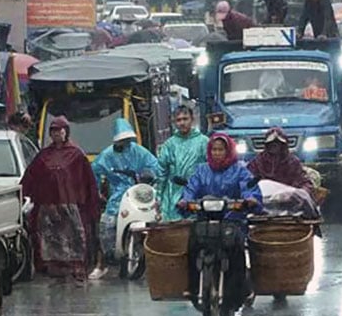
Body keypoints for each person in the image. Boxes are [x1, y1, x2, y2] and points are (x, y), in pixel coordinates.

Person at [179, 133, 260, 304]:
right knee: (192, 246)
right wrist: (185, 201)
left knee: (237, 250)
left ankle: (242, 289)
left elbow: (248, 188)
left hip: (233, 220)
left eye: (221, 149)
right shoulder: (201, 170)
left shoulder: (240, 170)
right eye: (214, 149)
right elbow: (191, 188)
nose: (217, 153)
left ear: (228, 150)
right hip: (204, 220)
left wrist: (249, 199)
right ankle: (192, 287)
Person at [21, 117, 101, 281]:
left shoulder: (76, 154)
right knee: (50, 237)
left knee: (74, 236)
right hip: (48, 206)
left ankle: (75, 266)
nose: (57, 134)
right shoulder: (44, 155)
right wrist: (21, 194)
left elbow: (88, 181)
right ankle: (54, 267)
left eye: (60, 130)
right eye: (53, 131)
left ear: (66, 132)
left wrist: (92, 203)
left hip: (71, 205)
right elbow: (31, 176)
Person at [94, 118, 163, 259]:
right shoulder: (107, 155)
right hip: (118, 195)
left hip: (139, 192)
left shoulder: (138, 151)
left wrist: (149, 176)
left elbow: (155, 166)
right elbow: (94, 171)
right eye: (121, 140)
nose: (124, 143)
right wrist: (97, 191)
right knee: (107, 223)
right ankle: (109, 256)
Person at [154, 105, 208, 219]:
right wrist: (158, 197)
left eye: (185, 119)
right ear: (174, 122)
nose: (182, 123)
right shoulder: (169, 144)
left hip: (197, 195)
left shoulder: (204, 142)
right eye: (178, 120)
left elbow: (210, 169)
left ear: (192, 119)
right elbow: (162, 172)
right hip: (172, 196)